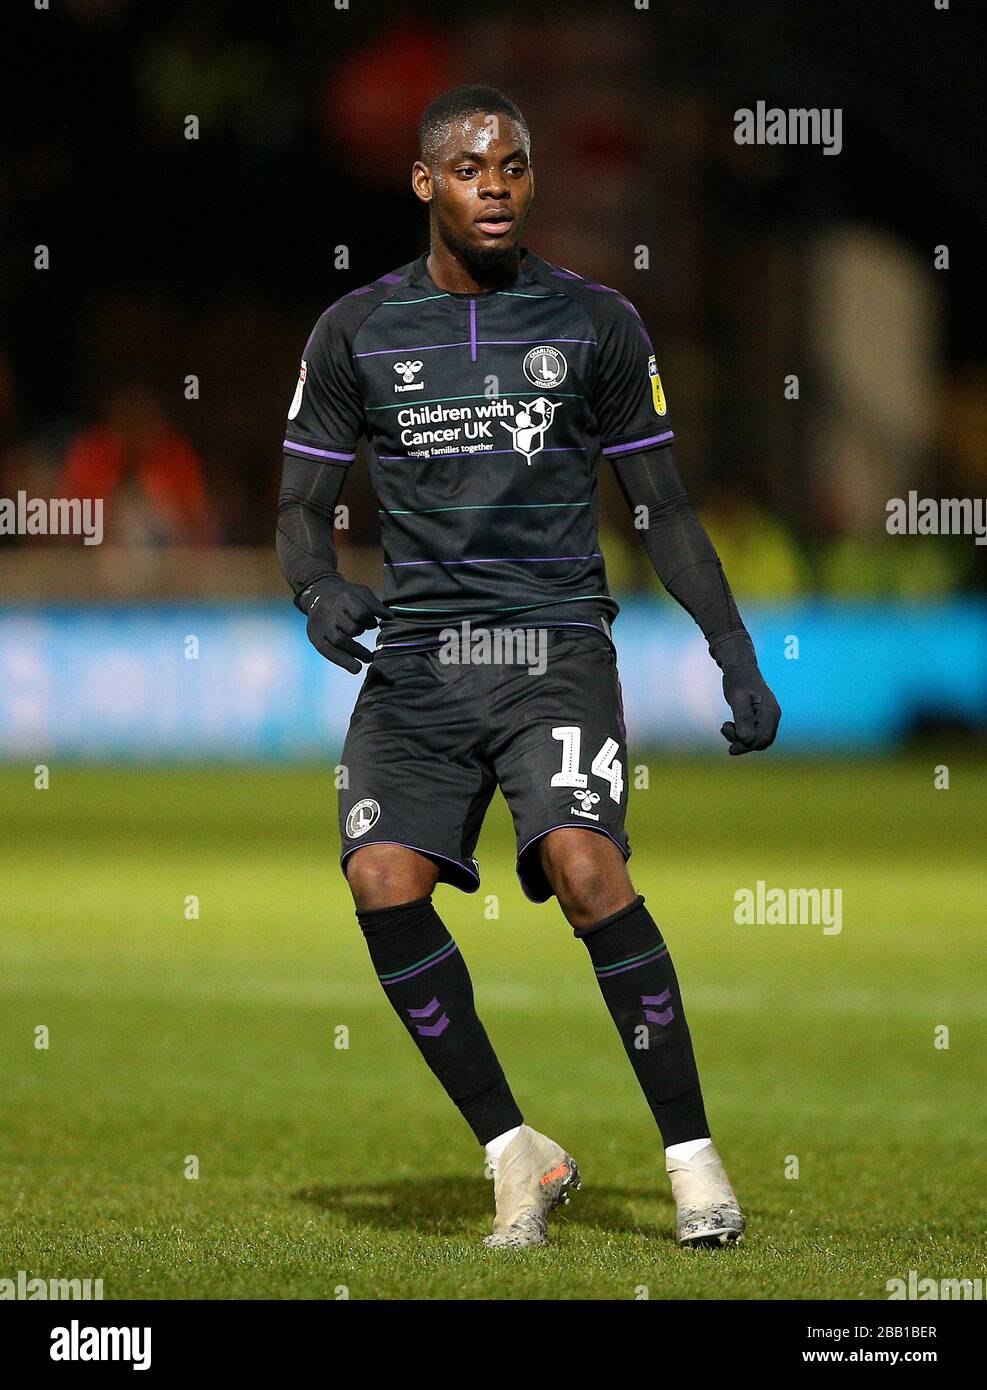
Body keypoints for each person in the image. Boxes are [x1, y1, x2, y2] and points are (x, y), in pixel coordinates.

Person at [276, 85, 780, 1249]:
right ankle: (517, 1151)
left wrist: (735, 653)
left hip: (552, 645)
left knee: (587, 866)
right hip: (418, 659)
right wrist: (318, 588)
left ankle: (694, 1159)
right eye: (468, 167)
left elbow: (662, 508)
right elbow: (301, 506)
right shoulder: (354, 331)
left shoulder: (597, 322)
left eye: (513, 166)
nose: (494, 185)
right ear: (425, 183)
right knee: (380, 879)